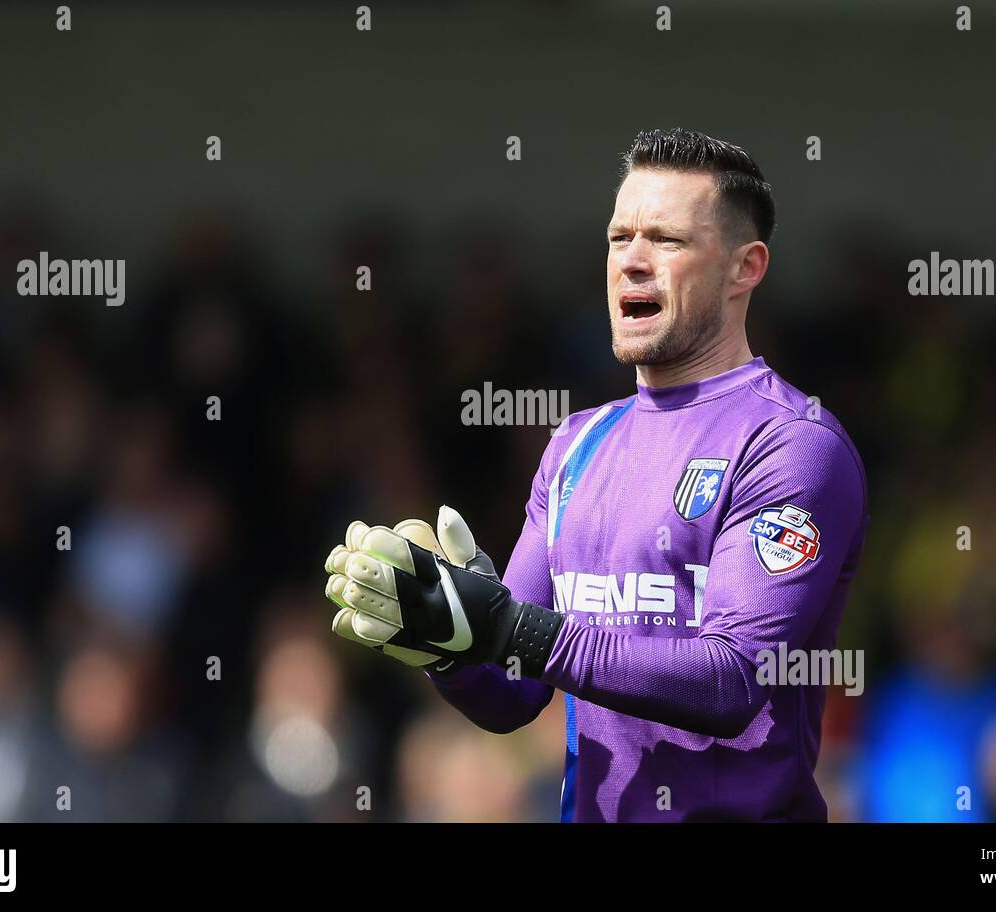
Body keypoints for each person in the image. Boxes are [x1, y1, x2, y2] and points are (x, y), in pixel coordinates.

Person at [325, 127, 869, 822]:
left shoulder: (791, 445)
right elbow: (512, 694)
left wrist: (513, 631)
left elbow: (732, 680)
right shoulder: (579, 444)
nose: (632, 262)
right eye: (619, 238)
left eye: (667, 240)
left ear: (745, 268)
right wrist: (442, 639)